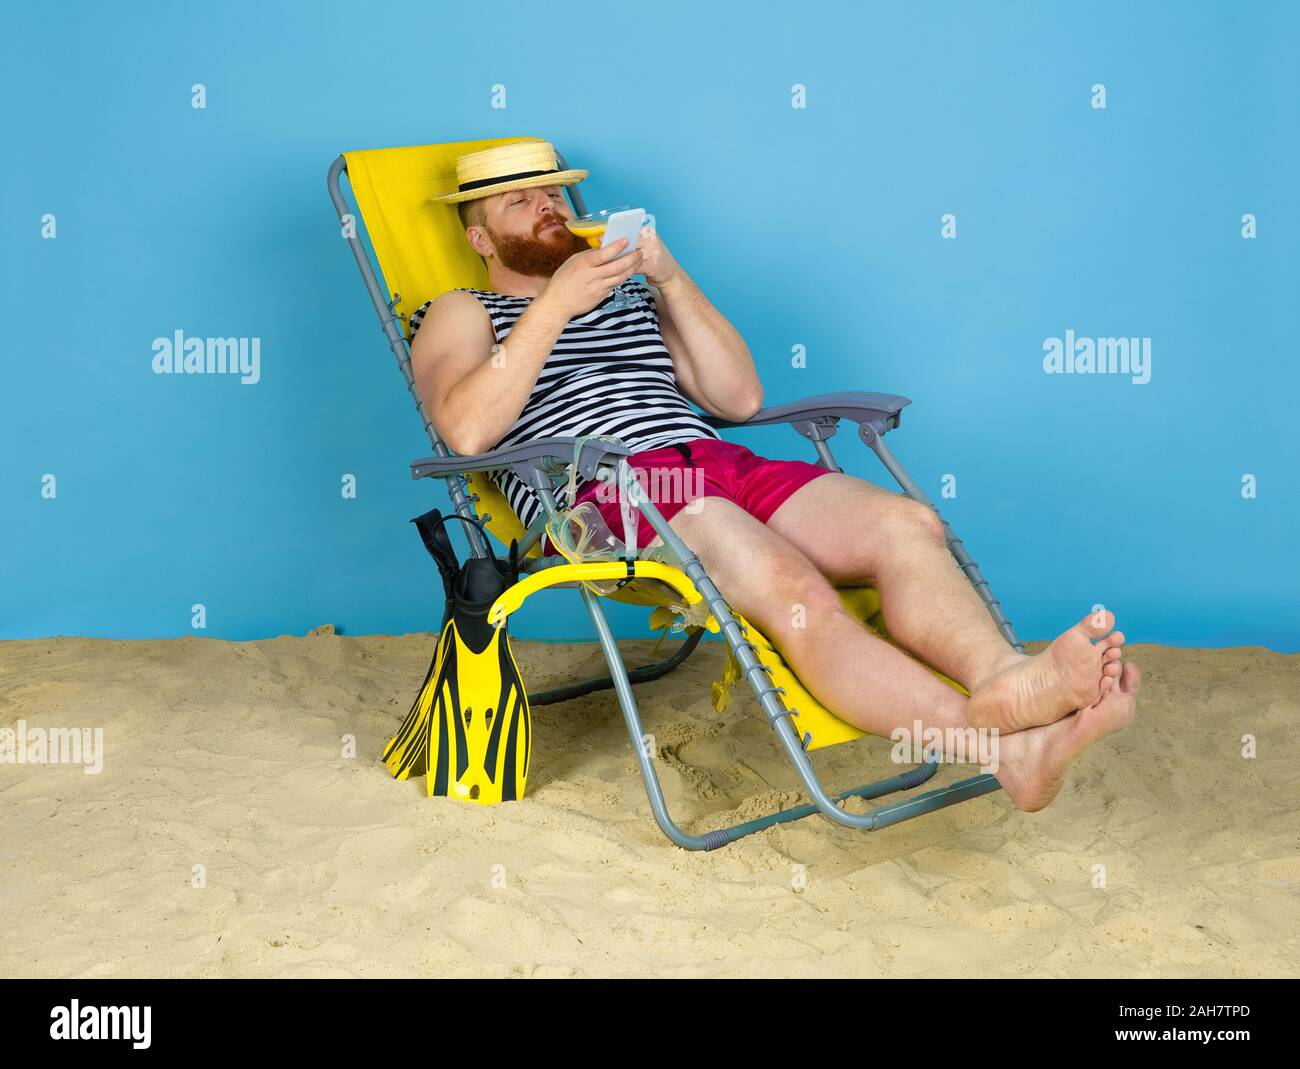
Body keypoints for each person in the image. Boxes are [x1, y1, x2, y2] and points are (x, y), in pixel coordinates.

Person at [410, 139, 1140, 812]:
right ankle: (1002, 748)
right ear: (479, 239)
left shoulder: (628, 296)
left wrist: (667, 276)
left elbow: (740, 398)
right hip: (610, 493)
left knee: (908, 524)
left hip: (720, 464)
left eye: (555, 196)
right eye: (520, 201)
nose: (547, 208)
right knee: (790, 587)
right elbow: (466, 429)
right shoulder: (463, 309)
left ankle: (1006, 680)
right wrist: (556, 305)